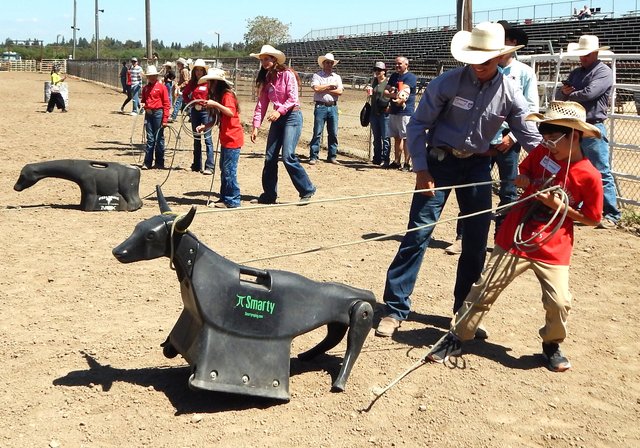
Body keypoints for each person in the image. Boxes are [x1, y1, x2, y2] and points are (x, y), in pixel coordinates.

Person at [375, 22, 542, 338]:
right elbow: (417, 126)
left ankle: (462, 312)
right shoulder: (447, 83)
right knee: (418, 234)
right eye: (475, 58)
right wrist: (421, 170)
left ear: (500, 58)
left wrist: (556, 165)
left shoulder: (510, 92)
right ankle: (395, 308)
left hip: (478, 167)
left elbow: (528, 134)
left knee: (477, 243)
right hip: (438, 164)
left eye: (487, 59)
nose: (479, 65)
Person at [426, 101, 604, 372]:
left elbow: (593, 218)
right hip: (515, 236)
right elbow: (526, 170)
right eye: (545, 138)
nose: (548, 145)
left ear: (574, 136)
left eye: (554, 139)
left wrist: (560, 206)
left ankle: (551, 344)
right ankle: (456, 336)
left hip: (552, 246)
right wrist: (522, 179)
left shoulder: (588, 175)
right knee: (484, 289)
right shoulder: (542, 153)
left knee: (559, 301)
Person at [446, 25, 540, 255]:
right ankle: (463, 236)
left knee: (508, 190)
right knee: (472, 190)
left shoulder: (524, 73)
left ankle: (502, 238)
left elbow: (530, 111)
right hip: (481, 141)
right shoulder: (481, 71)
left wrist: (512, 137)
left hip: (508, 142)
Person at [556, 35, 621, 229]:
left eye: (585, 55)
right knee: (578, 168)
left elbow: (589, 93)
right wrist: (567, 93)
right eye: (581, 55)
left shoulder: (603, 72)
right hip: (577, 125)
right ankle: (592, 210)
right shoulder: (579, 72)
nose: (582, 58)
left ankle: (611, 213)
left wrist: (569, 94)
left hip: (591, 125)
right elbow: (562, 93)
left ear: (595, 53)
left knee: (600, 170)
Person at [250, 44, 316, 204]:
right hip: (278, 119)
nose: (264, 62)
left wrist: (279, 111)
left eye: (267, 59)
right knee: (270, 157)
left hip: (292, 116)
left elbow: (293, 99)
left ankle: (307, 189)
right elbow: (262, 104)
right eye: (262, 60)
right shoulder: (266, 80)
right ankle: (269, 194)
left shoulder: (287, 74)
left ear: (274, 59)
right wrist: (256, 126)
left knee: (288, 156)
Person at [196, 69, 244, 209]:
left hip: (232, 138)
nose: (209, 85)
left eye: (210, 82)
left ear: (216, 82)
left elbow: (229, 112)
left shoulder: (227, 95)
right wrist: (206, 126)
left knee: (229, 170)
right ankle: (225, 197)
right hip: (227, 138)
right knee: (225, 169)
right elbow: (220, 118)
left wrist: (215, 104)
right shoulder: (223, 96)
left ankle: (233, 200)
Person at [308, 53, 344, 165]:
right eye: (327, 62)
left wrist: (324, 89)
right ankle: (314, 156)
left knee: (333, 133)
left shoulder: (337, 77)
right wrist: (329, 87)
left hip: (333, 106)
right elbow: (316, 88)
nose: (329, 64)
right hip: (321, 106)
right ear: (323, 64)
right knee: (317, 132)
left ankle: (332, 156)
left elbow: (340, 91)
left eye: (331, 62)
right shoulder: (317, 76)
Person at [181, 59, 215, 175]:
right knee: (196, 139)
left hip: (206, 112)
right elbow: (185, 94)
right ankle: (196, 165)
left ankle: (210, 166)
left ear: (204, 71)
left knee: (207, 139)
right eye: (197, 70)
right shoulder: (192, 83)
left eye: (201, 70)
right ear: (194, 71)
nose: (199, 72)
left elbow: (213, 96)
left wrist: (209, 104)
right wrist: (190, 103)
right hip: (195, 112)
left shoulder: (208, 83)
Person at [385, 56, 417, 171]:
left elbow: (403, 92)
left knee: (406, 138)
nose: (397, 66)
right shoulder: (394, 76)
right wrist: (394, 93)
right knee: (397, 137)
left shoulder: (411, 77)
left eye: (400, 64)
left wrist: (394, 92)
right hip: (394, 111)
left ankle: (407, 163)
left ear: (406, 65)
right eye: (396, 64)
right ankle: (397, 161)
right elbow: (386, 91)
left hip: (405, 112)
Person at [140, 65, 170, 170]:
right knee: (150, 139)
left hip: (158, 113)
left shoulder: (162, 87)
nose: (152, 77)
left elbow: (166, 103)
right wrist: (143, 104)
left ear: (156, 76)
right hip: (148, 114)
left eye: (153, 75)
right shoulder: (145, 88)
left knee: (159, 138)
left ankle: (159, 162)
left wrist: (165, 119)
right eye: (150, 76)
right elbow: (143, 100)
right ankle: (147, 162)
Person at [368, 61, 391, 167]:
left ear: (384, 72)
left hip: (384, 113)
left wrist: (389, 107)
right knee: (376, 137)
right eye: (376, 70)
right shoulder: (374, 82)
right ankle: (377, 158)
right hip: (374, 112)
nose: (377, 72)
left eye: (379, 70)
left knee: (385, 137)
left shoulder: (388, 82)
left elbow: (391, 95)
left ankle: (385, 159)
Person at [169, 58, 190, 122]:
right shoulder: (182, 70)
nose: (177, 65)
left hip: (183, 89)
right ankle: (191, 116)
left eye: (178, 63)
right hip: (183, 89)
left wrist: (179, 87)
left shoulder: (184, 71)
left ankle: (173, 116)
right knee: (185, 103)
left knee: (178, 102)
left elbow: (186, 81)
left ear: (181, 64)